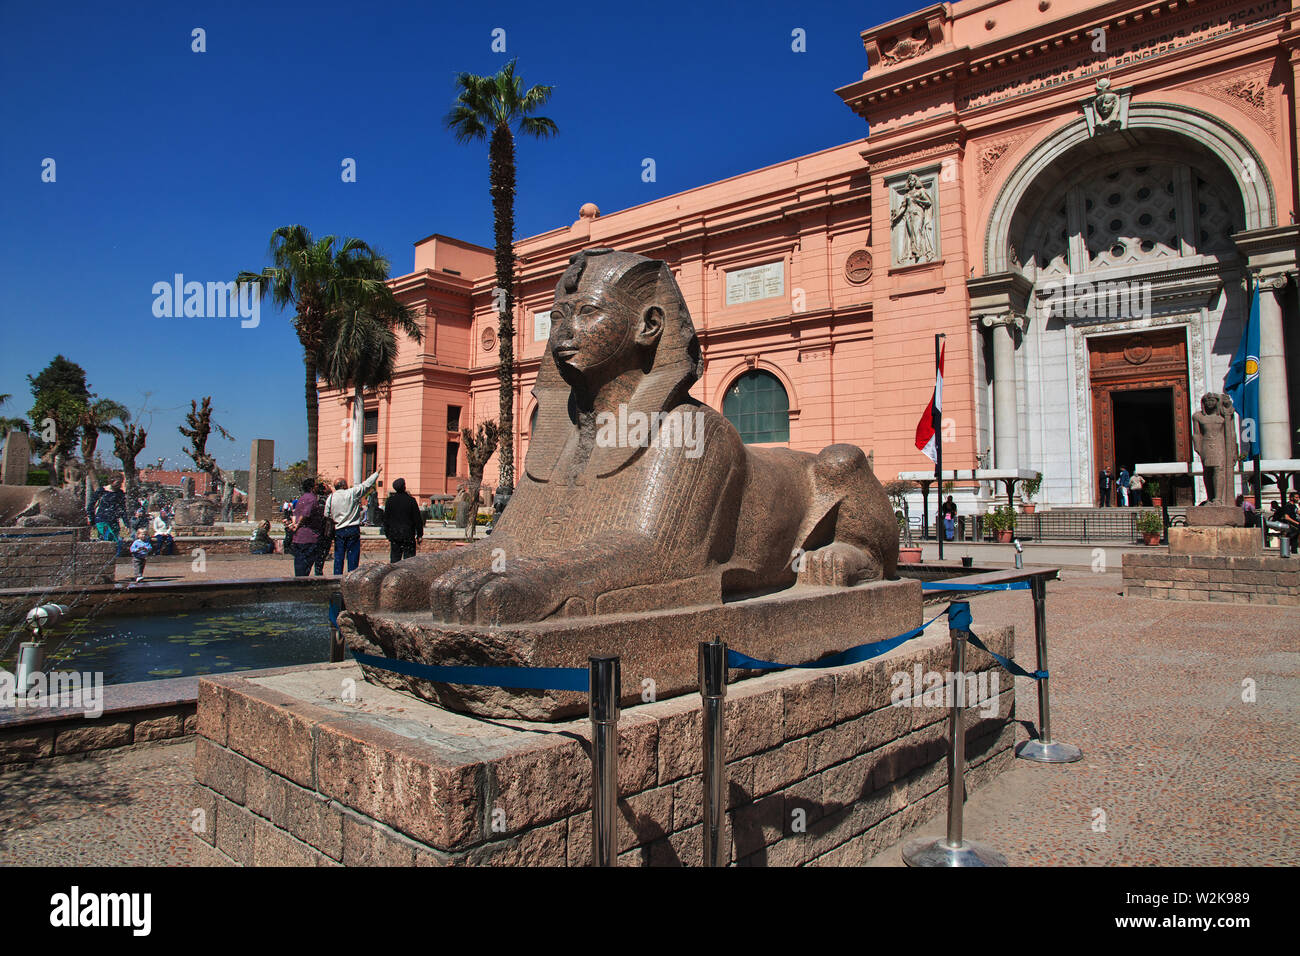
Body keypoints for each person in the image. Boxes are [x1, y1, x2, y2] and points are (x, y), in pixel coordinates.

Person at [325, 466, 382, 574]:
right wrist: (376, 473)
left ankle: (337, 578)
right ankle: (352, 577)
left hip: (339, 529)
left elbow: (326, 514)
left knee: (339, 557)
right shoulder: (352, 493)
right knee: (353, 557)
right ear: (343, 485)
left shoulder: (331, 498)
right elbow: (366, 484)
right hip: (352, 528)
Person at [288, 478, 325, 576]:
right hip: (309, 537)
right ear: (312, 488)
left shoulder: (302, 498)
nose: (318, 486)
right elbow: (305, 514)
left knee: (299, 567)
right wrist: (298, 525)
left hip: (298, 537)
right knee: (305, 568)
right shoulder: (312, 499)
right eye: (316, 485)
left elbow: (295, 514)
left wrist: (294, 525)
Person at [381, 477, 424, 562]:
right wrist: (419, 534)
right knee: (409, 561)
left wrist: (388, 534)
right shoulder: (411, 500)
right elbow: (417, 519)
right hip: (408, 535)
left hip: (395, 535)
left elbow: (386, 519)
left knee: (395, 560)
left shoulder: (390, 501)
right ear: (404, 486)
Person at [89, 477, 129, 552]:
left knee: (115, 542)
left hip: (114, 521)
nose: (119, 485)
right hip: (101, 520)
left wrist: (126, 524)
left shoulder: (120, 493)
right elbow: (90, 505)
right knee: (108, 538)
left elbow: (123, 510)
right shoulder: (102, 491)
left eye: (121, 483)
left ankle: (113, 559)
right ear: (111, 481)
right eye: (117, 483)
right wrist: (92, 520)